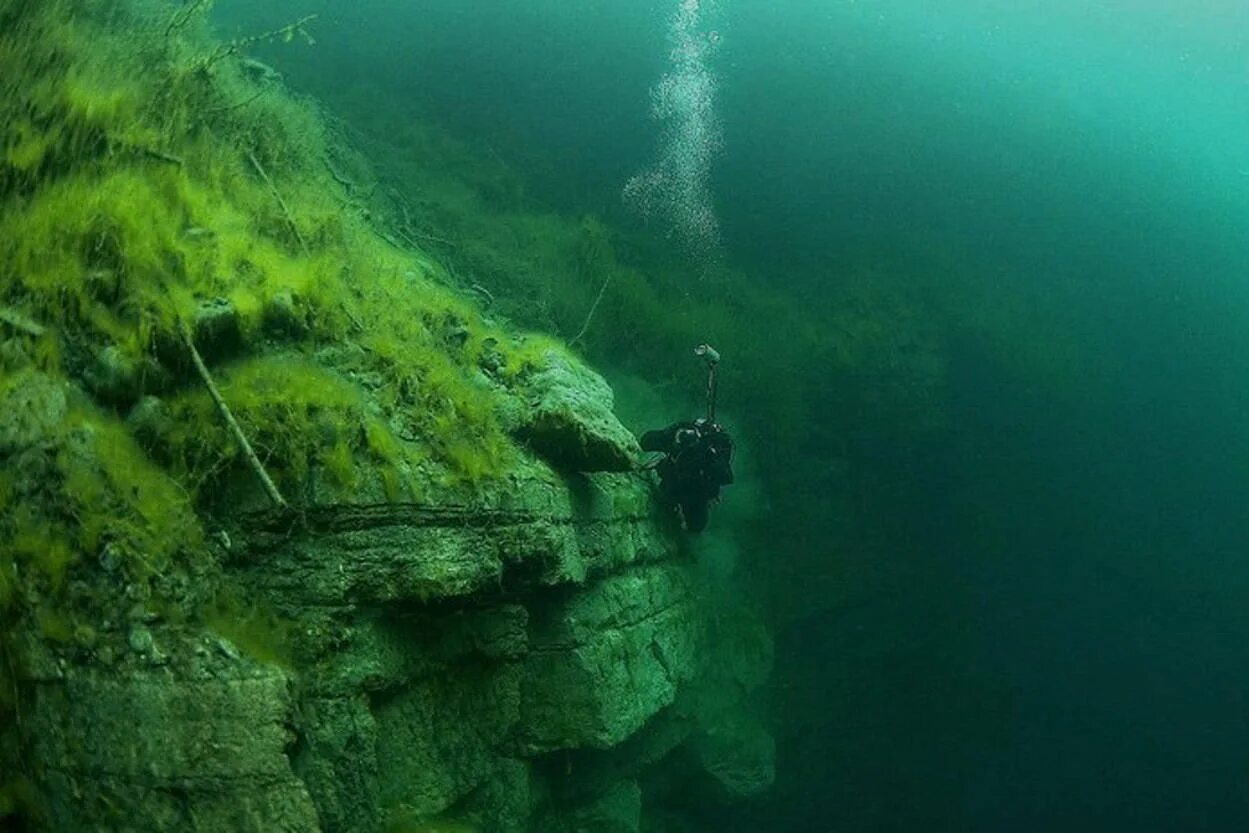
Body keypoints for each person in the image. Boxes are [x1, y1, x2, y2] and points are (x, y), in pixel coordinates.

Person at [640, 344, 734, 532]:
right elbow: (646, 441)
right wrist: (670, 436)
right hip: (675, 485)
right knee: (668, 502)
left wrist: (708, 457)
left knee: (696, 527)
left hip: (696, 495)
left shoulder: (709, 450)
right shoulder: (679, 434)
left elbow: (726, 477)